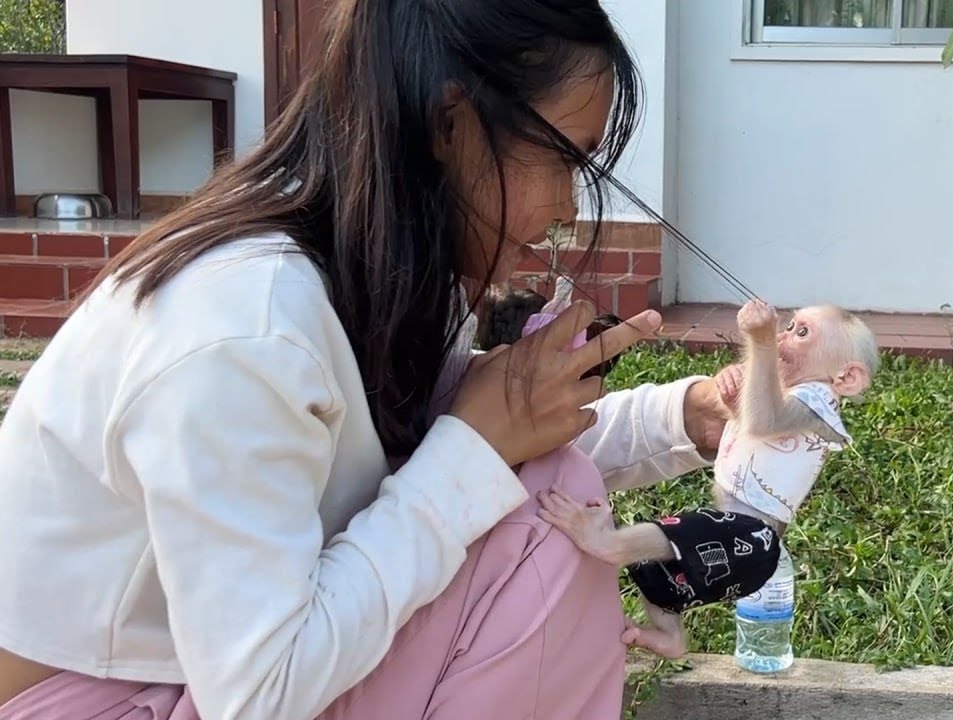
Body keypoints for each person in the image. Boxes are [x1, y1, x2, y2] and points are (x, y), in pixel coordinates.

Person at [0, 1, 732, 718]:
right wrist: (473, 446)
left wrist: (687, 417)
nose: (570, 205)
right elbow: (260, 694)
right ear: (452, 123)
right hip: (97, 698)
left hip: (180, 672)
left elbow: (496, 442)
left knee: (543, 483)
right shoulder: (245, 327)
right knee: (546, 533)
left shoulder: (372, 276)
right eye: (562, 156)